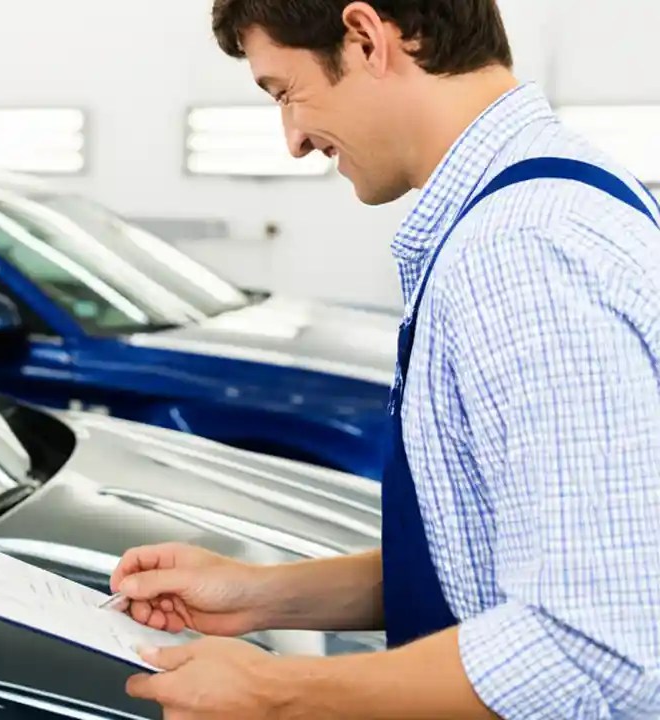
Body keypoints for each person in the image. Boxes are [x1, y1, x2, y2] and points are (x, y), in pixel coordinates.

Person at [110, 1, 660, 718]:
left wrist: (275, 696)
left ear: (367, 37)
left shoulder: (522, 254)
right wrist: (258, 593)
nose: (294, 139)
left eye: (286, 92)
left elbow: (595, 649)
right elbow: (484, 559)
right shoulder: (557, 194)